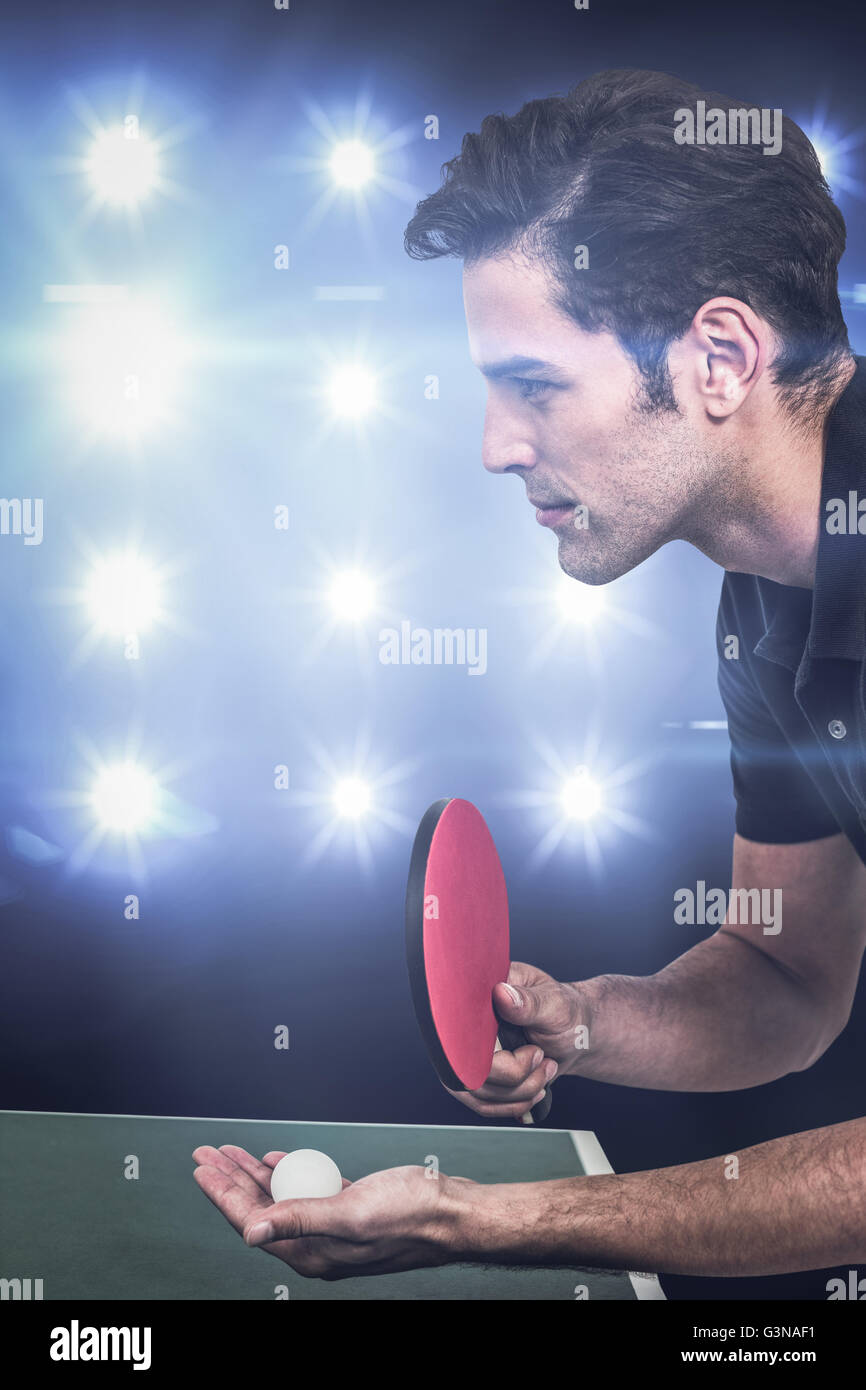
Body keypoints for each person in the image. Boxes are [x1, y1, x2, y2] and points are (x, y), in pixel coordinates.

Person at [194, 68, 866, 1281]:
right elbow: (788, 980)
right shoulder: (769, 604)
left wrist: (482, 1218)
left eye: (534, 383)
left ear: (718, 358)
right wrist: (587, 1022)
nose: (496, 446)